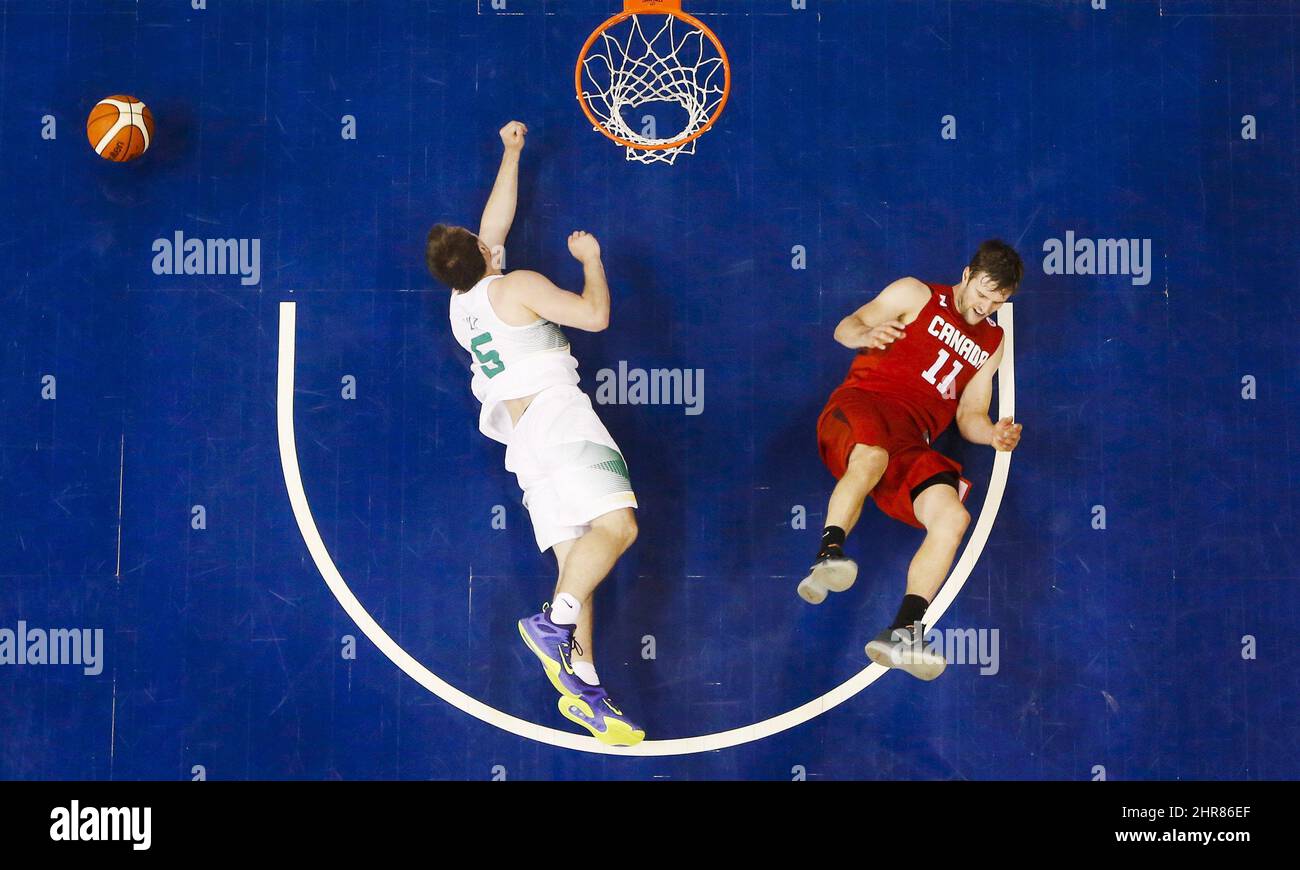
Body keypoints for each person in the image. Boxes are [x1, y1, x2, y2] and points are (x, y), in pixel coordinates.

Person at [425, 121, 643, 745]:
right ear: (486, 256)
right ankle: (555, 622)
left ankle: (586, 689)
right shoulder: (517, 285)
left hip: (523, 443)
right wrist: (591, 261)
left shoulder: (462, 305)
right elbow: (595, 317)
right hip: (558, 418)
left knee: (581, 559)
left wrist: (510, 152)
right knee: (619, 527)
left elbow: (493, 224)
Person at [806, 240, 1024, 680]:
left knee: (952, 517)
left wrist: (994, 435)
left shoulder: (993, 341)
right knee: (871, 458)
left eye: (998, 301)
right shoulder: (916, 294)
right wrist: (865, 335)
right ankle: (828, 554)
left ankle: (905, 630)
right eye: (982, 293)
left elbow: (969, 417)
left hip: (912, 440)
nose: (986, 307)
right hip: (863, 405)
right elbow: (847, 327)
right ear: (966, 275)